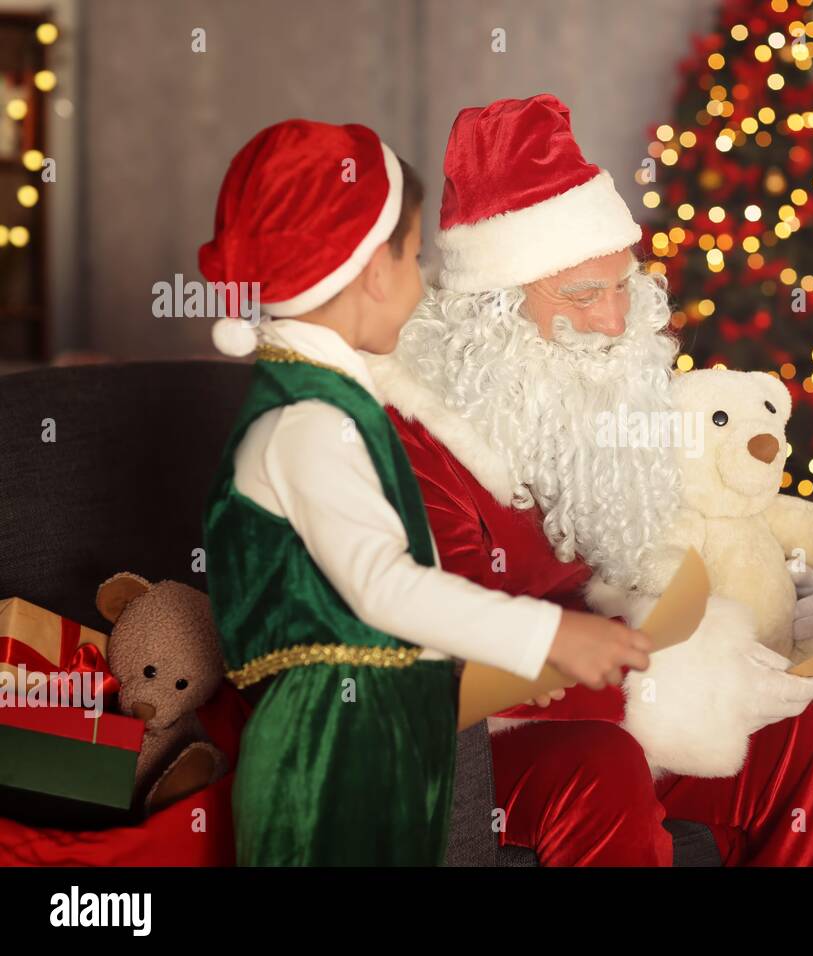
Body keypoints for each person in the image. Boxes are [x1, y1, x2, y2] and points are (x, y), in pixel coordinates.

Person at [370, 94, 813, 866]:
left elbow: (687, 548)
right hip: (485, 740)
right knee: (601, 768)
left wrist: (788, 604)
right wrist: (678, 682)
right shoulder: (419, 442)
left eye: (622, 285)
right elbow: (454, 665)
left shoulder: (612, 405)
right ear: (494, 312)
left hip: (627, 701)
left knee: (806, 744)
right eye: (582, 295)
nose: (616, 322)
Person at [200, 119, 650, 865]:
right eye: (414, 255)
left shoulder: (334, 406)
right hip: (326, 747)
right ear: (376, 272)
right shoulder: (308, 422)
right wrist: (551, 636)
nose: (422, 276)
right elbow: (384, 586)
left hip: (378, 732)